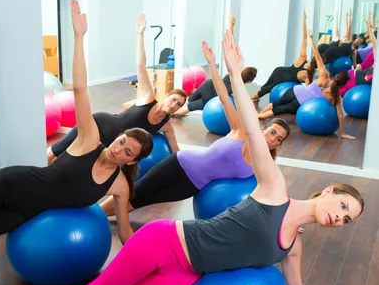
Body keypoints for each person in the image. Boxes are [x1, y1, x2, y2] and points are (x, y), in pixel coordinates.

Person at [0, 29, 364, 285]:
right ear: (330, 191)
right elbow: (252, 131)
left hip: (185, 275)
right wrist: (233, 74)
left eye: (347, 219)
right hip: (165, 243)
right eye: (344, 205)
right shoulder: (275, 191)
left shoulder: (292, 247)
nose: (340, 216)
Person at [0, 0, 153, 252]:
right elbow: (80, 89)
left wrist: (143, 259)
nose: (118, 149)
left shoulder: (120, 186)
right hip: (10, 185)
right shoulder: (90, 139)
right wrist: (78, 37)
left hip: (27, 212)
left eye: (127, 152)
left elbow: (124, 230)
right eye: (122, 141)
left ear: (132, 162)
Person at [101, 39, 289, 217]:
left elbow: (275, 193)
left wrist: (285, 219)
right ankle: (96, 213)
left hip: (192, 185)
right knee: (137, 190)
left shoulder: (262, 164)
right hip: (180, 163)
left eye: (278, 139)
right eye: (273, 132)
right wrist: (213, 65)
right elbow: (223, 96)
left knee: (138, 203)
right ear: (264, 127)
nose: (273, 139)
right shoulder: (240, 132)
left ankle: (98, 216)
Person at [47, 13, 186, 164]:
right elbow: (141, 67)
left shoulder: (166, 125)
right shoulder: (147, 97)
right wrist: (140, 34)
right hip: (99, 124)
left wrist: (184, 167)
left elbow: (175, 150)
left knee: (70, 161)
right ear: (166, 96)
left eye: (179, 104)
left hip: (113, 146)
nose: (174, 105)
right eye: (173, 100)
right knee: (59, 149)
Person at [258, 30, 356, 140]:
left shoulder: (324, 76)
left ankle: (258, 115)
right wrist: (342, 133)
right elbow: (340, 116)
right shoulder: (336, 95)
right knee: (278, 110)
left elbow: (318, 58)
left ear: (337, 75)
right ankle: (258, 116)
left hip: (295, 90)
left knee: (276, 103)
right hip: (300, 102)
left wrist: (311, 40)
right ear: (343, 84)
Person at [173, 13, 257, 117]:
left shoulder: (234, 72)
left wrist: (231, 25)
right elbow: (240, 101)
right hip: (210, 95)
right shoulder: (237, 83)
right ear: (250, 81)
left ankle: (170, 112)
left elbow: (230, 46)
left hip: (207, 84)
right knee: (188, 108)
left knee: (188, 102)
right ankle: (169, 116)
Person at [251, 11, 317, 102]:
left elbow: (304, 39)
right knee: (267, 89)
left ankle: (254, 96)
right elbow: (308, 90)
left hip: (279, 70)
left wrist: (304, 20)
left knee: (265, 86)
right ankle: (252, 97)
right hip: (282, 78)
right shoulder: (307, 75)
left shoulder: (303, 58)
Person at [338, 17, 376, 97]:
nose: (359, 41)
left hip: (359, 79)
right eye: (358, 40)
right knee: (341, 79)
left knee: (341, 90)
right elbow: (362, 66)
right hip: (356, 73)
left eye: (360, 41)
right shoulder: (373, 54)